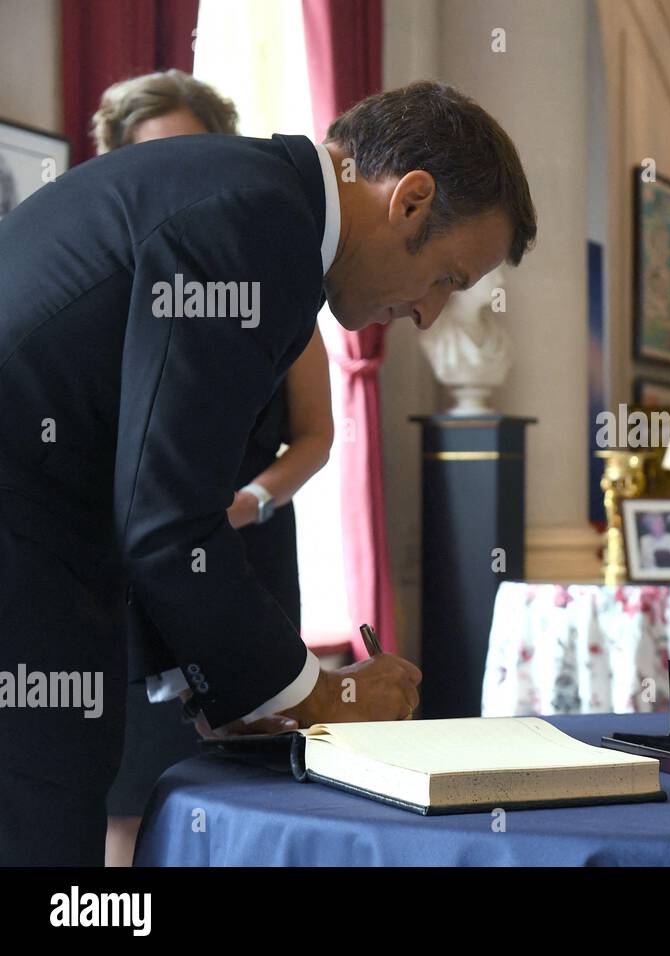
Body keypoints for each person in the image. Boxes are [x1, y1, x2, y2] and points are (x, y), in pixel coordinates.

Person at [0, 80, 536, 865]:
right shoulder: (256, 227)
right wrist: (325, 693)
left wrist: (236, 693)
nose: (428, 313)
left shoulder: (251, 202)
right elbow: (168, 520)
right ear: (411, 201)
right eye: (450, 279)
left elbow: (148, 485)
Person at [90, 70, 335, 867]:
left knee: (252, 772)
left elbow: (317, 436)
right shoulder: (110, 286)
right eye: (150, 157)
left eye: (190, 151)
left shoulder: (274, 279)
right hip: (138, 550)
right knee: (130, 786)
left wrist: (251, 501)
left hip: (250, 546)